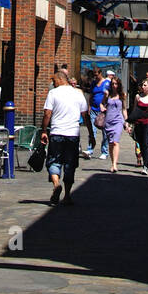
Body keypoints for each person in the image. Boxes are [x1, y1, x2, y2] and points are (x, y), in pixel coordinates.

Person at [41, 68, 92, 205]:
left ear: (60, 79)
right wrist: (91, 134)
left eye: (54, 80)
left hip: (57, 132)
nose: (53, 83)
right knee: (70, 164)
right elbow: (85, 116)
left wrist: (44, 130)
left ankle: (56, 184)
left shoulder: (53, 93)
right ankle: (68, 195)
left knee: (53, 161)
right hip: (72, 134)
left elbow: (47, 114)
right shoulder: (78, 94)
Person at [127, 79, 148, 176]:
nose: (143, 87)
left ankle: (146, 166)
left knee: (146, 143)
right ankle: (146, 160)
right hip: (138, 123)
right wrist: (130, 123)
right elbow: (134, 110)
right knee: (140, 143)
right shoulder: (138, 97)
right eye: (142, 85)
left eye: (145, 85)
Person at [101, 77, 126, 172]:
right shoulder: (108, 94)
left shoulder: (122, 95)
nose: (114, 86)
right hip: (109, 120)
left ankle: (115, 164)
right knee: (111, 143)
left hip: (118, 121)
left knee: (115, 141)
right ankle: (112, 162)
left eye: (116, 84)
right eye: (113, 84)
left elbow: (124, 109)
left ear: (119, 85)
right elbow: (102, 103)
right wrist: (102, 107)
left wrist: (126, 121)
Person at [87, 70, 111, 159]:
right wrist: (89, 107)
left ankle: (104, 151)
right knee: (92, 131)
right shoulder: (93, 83)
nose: (95, 77)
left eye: (97, 75)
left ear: (101, 74)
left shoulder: (107, 83)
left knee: (105, 132)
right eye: (94, 75)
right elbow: (91, 96)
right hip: (94, 109)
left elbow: (110, 95)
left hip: (103, 111)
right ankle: (90, 149)